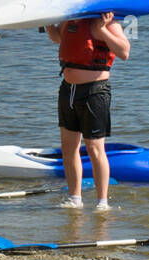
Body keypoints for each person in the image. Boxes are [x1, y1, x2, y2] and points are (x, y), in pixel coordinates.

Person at [44, 13, 130, 210]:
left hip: (95, 91)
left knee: (94, 147)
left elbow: (124, 52)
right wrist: (48, 23)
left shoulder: (108, 22)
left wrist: (101, 31)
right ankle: (75, 198)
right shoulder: (70, 18)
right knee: (68, 147)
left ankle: (102, 202)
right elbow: (60, 38)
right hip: (68, 90)